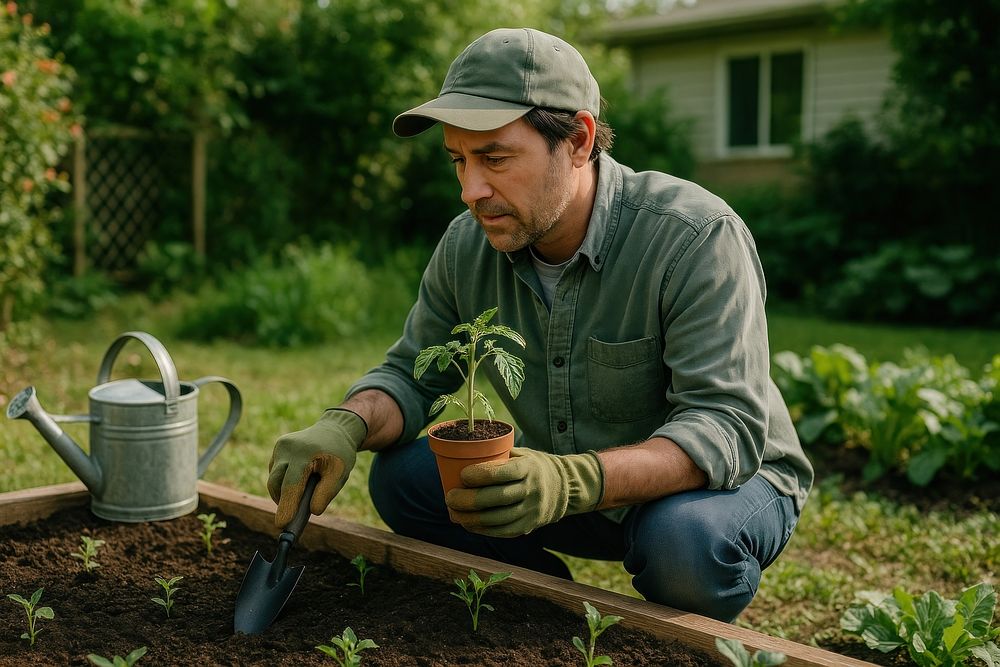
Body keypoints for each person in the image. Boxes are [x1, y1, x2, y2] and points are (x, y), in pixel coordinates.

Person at [267, 27, 814, 623]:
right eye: (459, 160)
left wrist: (571, 481)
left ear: (577, 141)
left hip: (715, 491)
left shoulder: (693, 237)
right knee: (404, 478)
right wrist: (344, 425)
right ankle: (543, 605)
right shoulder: (466, 247)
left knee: (684, 546)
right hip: (559, 487)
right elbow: (413, 376)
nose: (471, 190)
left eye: (495, 158)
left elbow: (724, 427)